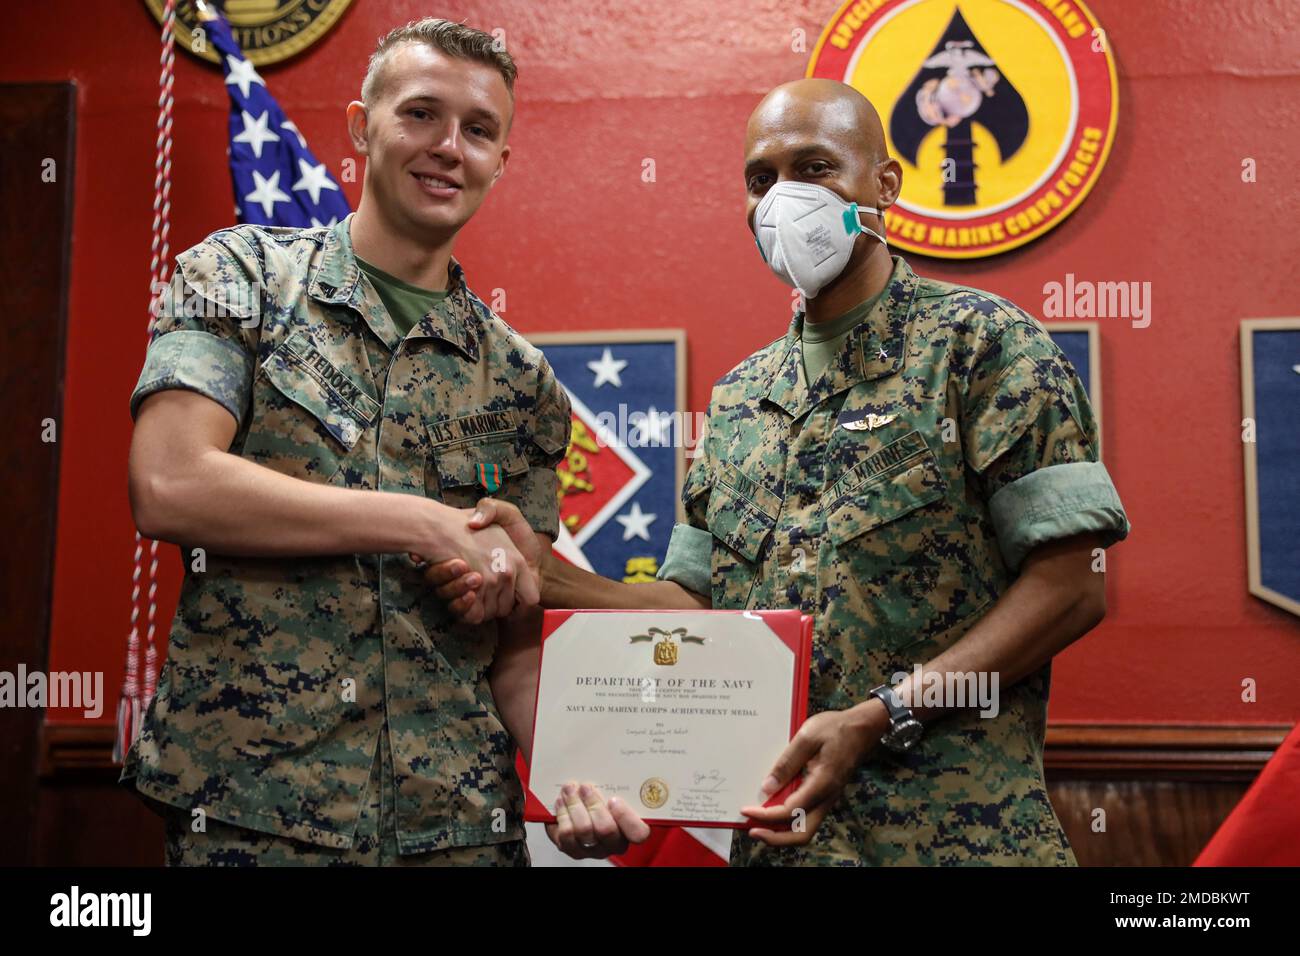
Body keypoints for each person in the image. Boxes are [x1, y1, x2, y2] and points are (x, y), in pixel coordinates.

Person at [429, 78, 1130, 866]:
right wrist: (545, 574)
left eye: (815, 168)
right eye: (761, 179)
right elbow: (691, 605)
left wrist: (879, 714)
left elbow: (1073, 585)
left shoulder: (982, 348)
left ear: (885, 186)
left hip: (957, 841)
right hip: (780, 846)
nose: (783, 198)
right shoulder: (737, 401)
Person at [123, 18, 571, 866]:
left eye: (478, 130)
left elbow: (514, 647)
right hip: (258, 815)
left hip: (460, 829)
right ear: (361, 127)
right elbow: (170, 485)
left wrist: (574, 776)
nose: (448, 147)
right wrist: (421, 522)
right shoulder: (240, 278)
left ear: (500, 161)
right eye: (421, 115)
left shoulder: (522, 381)